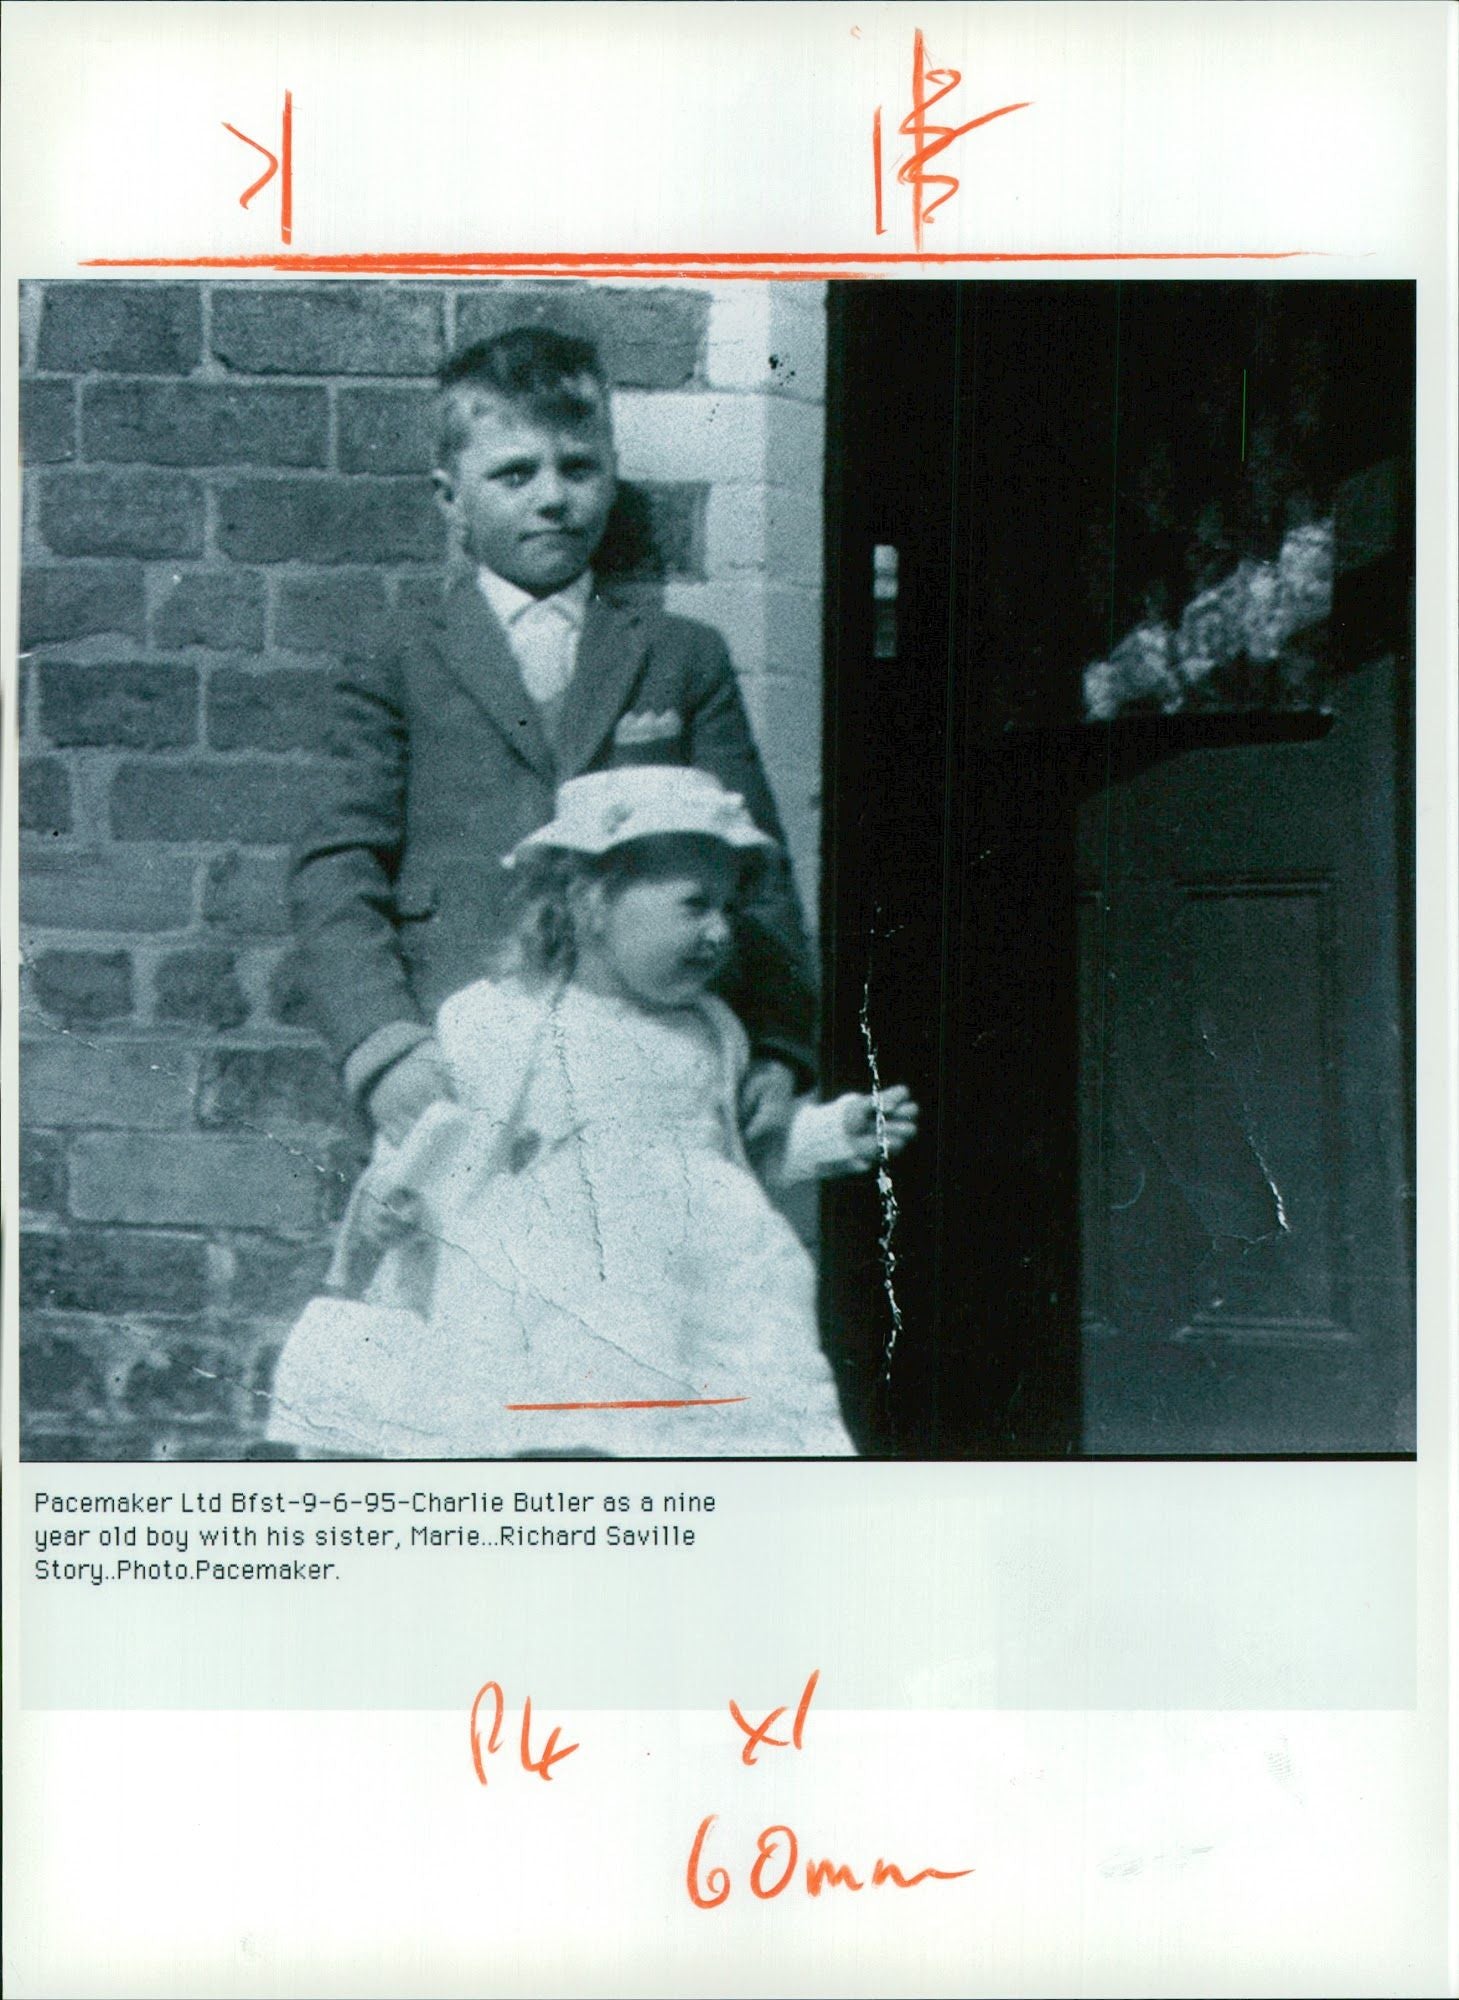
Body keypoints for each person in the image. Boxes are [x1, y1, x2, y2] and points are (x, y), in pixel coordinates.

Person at [268, 768, 918, 1460]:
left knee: (703, 1443)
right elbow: (434, 1149)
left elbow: (726, 1157)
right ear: (591, 902)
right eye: (694, 905)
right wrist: (393, 1202)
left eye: (728, 909)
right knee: (565, 1441)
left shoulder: (714, 1031)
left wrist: (823, 1136)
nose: (720, 932)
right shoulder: (499, 1022)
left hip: (702, 1303)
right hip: (554, 1305)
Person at [289, 322, 817, 1163]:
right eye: (513, 473)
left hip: (644, 1058)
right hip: (453, 1048)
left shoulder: (680, 657)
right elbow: (337, 867)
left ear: (609, 481)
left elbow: (755, 869)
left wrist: (782, 1049)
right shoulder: (397, 658)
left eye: (578, 468)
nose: (552, 497)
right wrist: (380, 1045)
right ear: (449, 498)